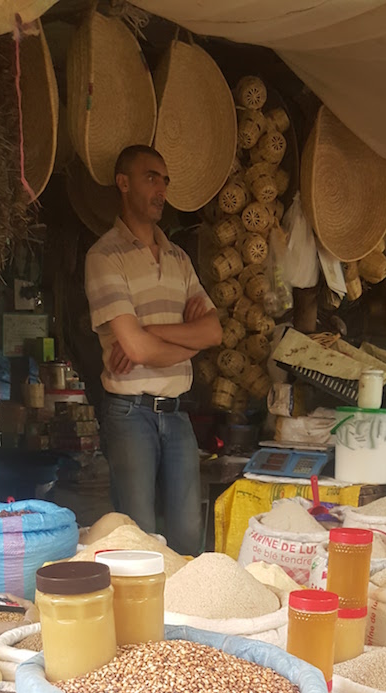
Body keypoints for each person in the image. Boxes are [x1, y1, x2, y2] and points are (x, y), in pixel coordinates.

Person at [85, 144, 222, 553]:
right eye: (151, 177)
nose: (161, 189)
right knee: (136, 535)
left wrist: (147, 328)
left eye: (164, 180)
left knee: (186, 534)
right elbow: (137, 350)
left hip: (176, 412)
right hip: (130, 414)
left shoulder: (179, 258)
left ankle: (181, 616)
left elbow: (213, 332)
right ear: (123, 183)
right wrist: (186, 338)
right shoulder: (105, 256)